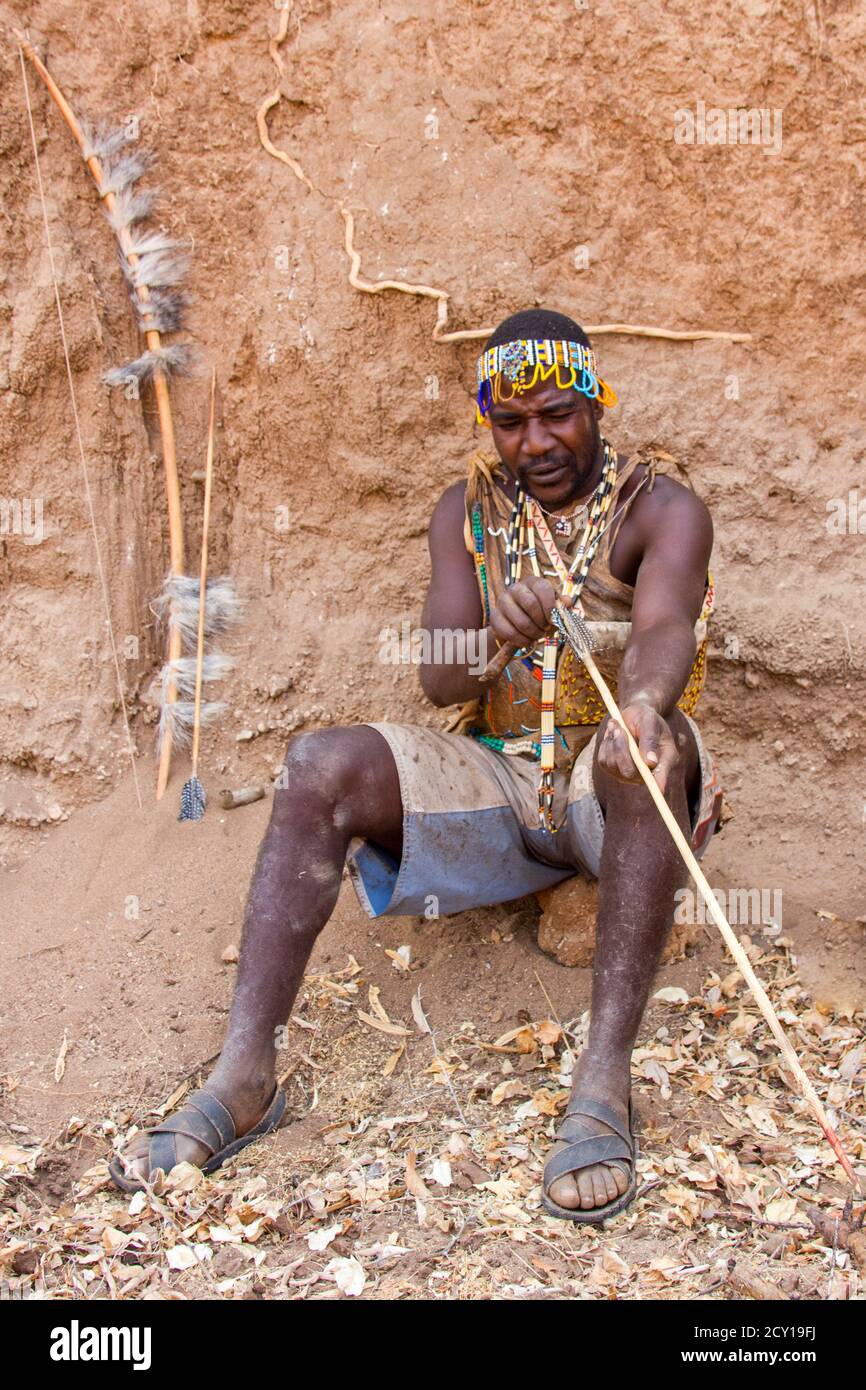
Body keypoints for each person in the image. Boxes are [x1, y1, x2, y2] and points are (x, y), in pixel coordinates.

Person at [110, 307, 722, 1224]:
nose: (537, 441)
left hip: (617, 779)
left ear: (597, 403)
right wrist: (495, 638)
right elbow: (441, 676)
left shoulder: (660, 507)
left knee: (642, 753)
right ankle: (245, 1074)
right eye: (511, 423)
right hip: (504, 778)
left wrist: (640, 707)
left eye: (558, 414)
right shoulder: (467, 510)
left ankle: (602, 1084)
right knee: (320, 763)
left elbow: (666, 624)